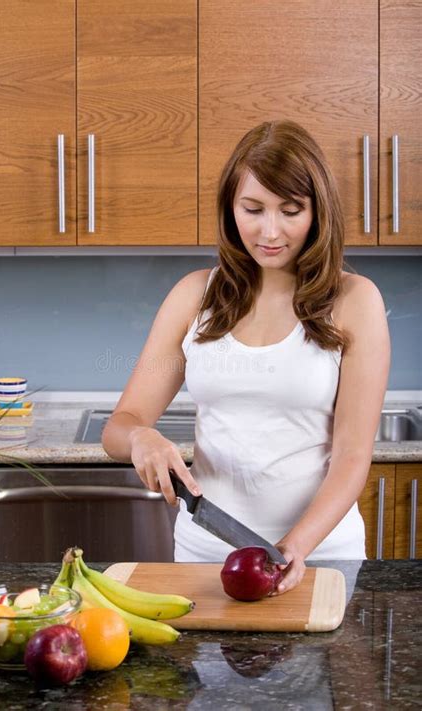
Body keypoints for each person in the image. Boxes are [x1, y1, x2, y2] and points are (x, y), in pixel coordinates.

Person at [102, 119, 390, 595]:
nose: (270, 231)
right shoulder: (194, 297)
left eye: (291, 210)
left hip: (320, 556)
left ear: (318, 213)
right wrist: (140, 438)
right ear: (230, 208)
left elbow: (353, 458)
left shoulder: (354, 301)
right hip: (206, 558)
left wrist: (294, 547)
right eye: (253, 209)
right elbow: (121, 423)